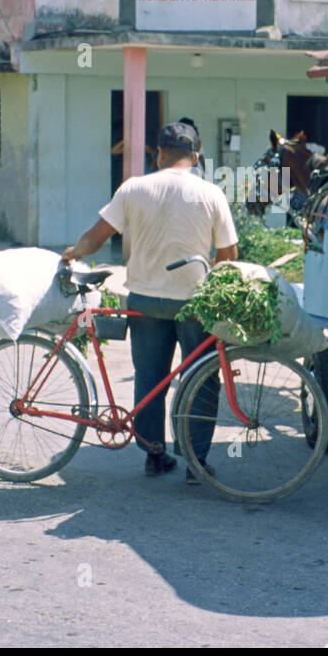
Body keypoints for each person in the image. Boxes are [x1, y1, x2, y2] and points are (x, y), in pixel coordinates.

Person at [62, 122, 239, 479]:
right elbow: (229, 255)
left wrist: (72, 253)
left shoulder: (134, 188)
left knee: (150, 376)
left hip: (144, 301)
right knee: (201, 378)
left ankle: (154, 453)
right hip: (194, 302)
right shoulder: (211, 194)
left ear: (158, 153)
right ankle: (196, 460)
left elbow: (96, 237)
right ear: (196, 154)